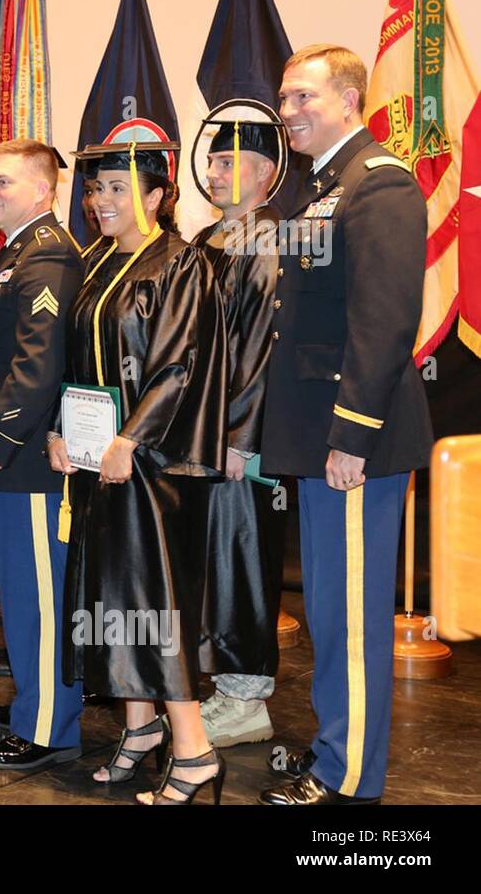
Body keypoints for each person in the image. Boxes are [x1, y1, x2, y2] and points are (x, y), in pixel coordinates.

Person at [259, 44, 432, 805]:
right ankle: (336, 753)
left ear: (349, 99)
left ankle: (350, 778)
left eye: (303, 97)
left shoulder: (380, 184)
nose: (288, 111)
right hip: (319, 435)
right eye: (286, 98)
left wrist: (352, 434)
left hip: (353, 439)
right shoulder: (322, 186)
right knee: (331, 611)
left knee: (353, 619)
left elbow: (385, 321)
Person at [51, 139, 229, 804]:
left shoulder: (181, 264)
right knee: (107, 598)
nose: (102, 200)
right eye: (98, 189)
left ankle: (194, 749)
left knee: (151, 603)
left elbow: (180, 363)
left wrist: (131, 437)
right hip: (96, 460)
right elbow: (75, 364)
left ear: (157, 198)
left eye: (120, 190)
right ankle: (141, 727)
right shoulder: (98, 262)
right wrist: (57, 430)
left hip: (152, 466)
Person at [0, 138, 84, 764]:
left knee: (41, 600)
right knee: (22, 595)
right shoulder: (17, 253)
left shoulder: (48, 257)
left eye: (5, 182)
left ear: (43, 190)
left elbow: (37, 370)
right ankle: (36, 702)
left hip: (26, 462)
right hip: (6, 456)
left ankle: (49, 728)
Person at [187, 102, 290, 748]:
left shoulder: (268, 242)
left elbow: (260, 348)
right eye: (214, 160)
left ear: (266, 170)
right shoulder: (205, 243)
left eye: (231, 161)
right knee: (208, 561)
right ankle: (222, 682)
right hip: (200, 434)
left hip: (238, 441)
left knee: (241, 558)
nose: (216, 171)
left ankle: (247, 697)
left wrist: (236, 437)